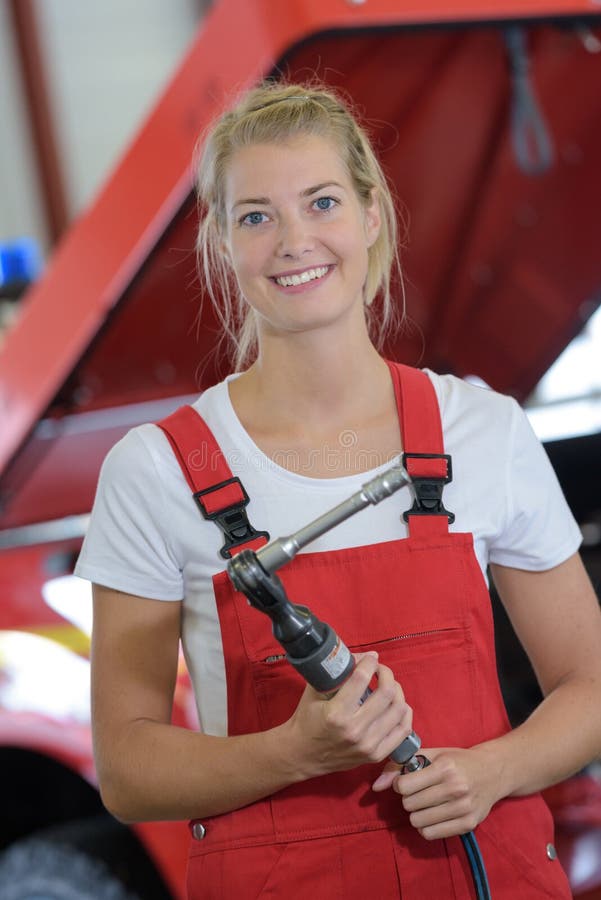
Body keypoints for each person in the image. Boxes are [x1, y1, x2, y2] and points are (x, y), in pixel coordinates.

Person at [75, 81, 601, 899]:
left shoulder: (480, 431)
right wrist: (294, 751)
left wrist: (493, 771)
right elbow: (128, 768)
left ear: (370, 217)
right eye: (255, 215)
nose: (293, 240)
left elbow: (590, 684)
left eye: (320, 202)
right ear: (220, 244)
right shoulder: (157, 470)